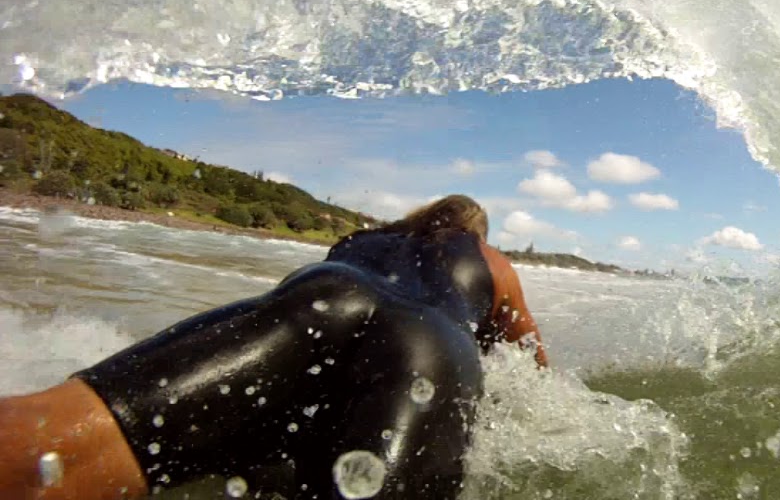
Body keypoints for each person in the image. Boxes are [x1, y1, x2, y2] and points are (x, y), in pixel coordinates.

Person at [0, 195, 548, 500]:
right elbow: (532, 361)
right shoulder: (492, 262)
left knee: (55, 447)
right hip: (433, 346)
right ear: (478, 234)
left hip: (322, 296)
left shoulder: (361, 240)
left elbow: (332, 348)